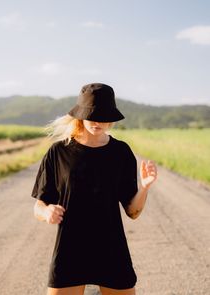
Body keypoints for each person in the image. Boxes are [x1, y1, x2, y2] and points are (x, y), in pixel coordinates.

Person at [31, 83, 157, 295]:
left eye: (104, 115)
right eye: (92, 115)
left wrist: (144, 188)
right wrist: (46, 212)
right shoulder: (59, 152)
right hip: (70, 250)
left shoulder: (121, 153)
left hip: (111, 249)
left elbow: (133, 212)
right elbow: (38, 206)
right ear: (80, 114)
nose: (98, 121)